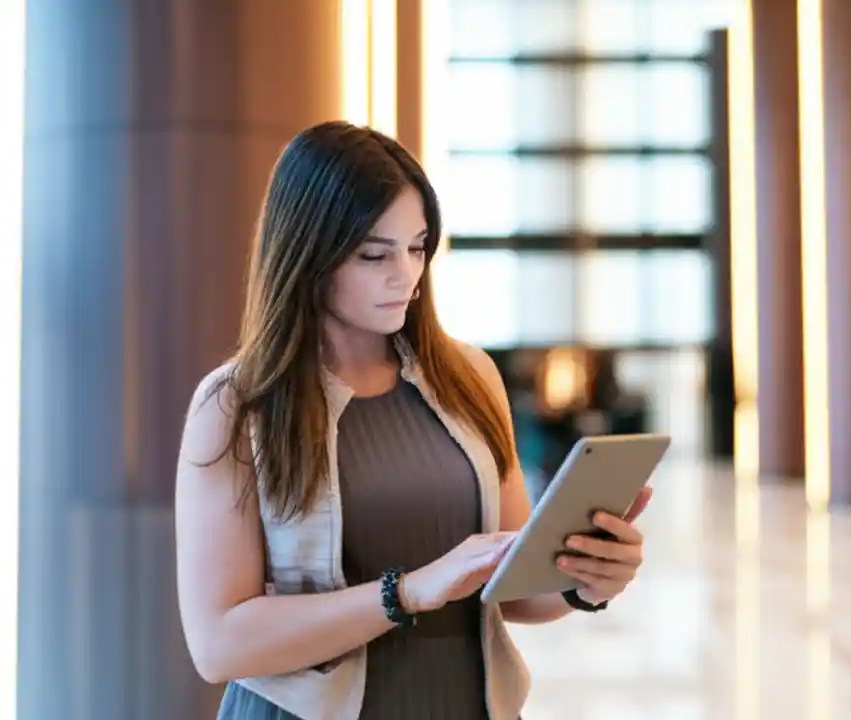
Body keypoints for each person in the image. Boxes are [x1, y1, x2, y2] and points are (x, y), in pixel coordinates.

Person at [174, 121, 653, 720]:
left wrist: (585, 581)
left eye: (418, 247)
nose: (405, 275)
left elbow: (513, 592)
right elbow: (218, 644)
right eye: (374, 254)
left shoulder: (469, 377)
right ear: (308, 254)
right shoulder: (236, 406)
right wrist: (404, 594)